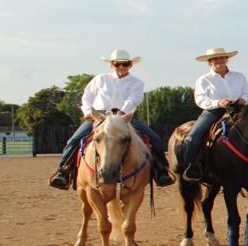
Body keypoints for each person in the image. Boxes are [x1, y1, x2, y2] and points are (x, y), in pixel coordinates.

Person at [49, 49, 174, 189]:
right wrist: (88, 112)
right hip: (99, 117)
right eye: (117, 64)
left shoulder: (137, 83)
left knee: (155, 139)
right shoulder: (100, 79)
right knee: (73, 141)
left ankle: (161, 171)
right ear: (111, 65)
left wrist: (123, 112)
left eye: (125, 64)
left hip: (125, 118)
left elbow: (134, 99)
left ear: (130, 65)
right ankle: (64, 171)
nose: (121, 67)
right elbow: (87, 97)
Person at [179, 47, 248, 182]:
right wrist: (218, 102)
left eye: (222, 57)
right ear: (210, 62)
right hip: (213, 112)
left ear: (227, 59)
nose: (219, 60)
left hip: (239, 111)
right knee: (193, 136)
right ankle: (191, 166)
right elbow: (200, 99)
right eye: (215, 58)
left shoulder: (239, 76)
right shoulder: (203, 79)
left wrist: (243, 99)